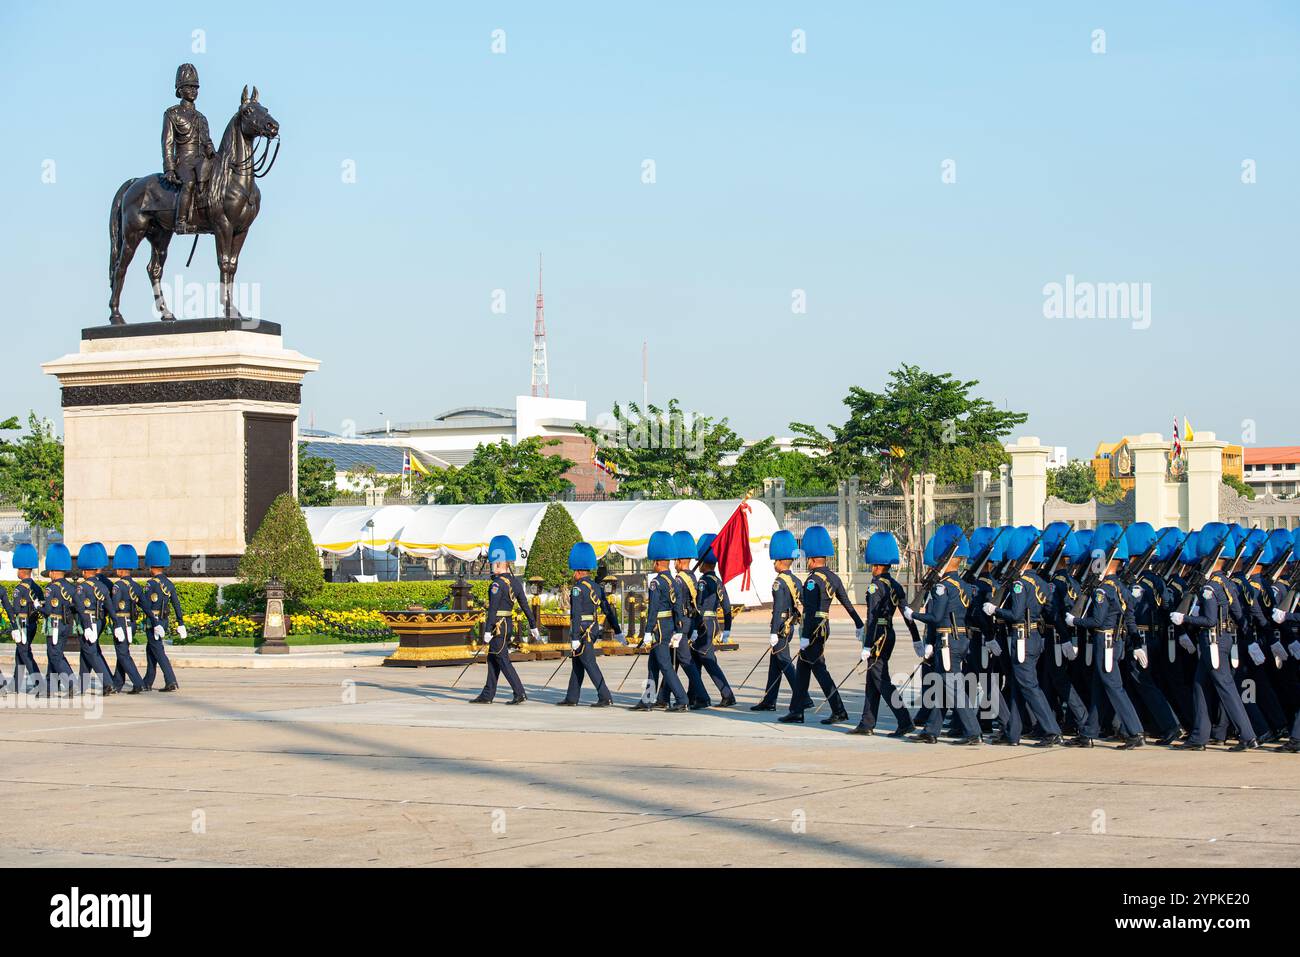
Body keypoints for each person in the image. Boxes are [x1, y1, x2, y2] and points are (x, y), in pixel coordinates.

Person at [1171, 523, 1259, 751]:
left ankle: (1247, 736)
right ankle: (1200, 736)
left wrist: (1185, 619)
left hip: (1213, 641)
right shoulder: (1227, 584)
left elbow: (1209, 621)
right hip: (1223, 640)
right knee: (1199, 686)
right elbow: (1239, 616)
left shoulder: (1210, 587)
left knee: (1226, 688)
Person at [1063, 524, 1146, 749]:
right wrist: (1137, 643)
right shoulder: (1121, 588)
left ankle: (1135, 732)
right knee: (1100, 688)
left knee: (1114, 689)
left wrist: (1075, 621)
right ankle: (1088, 732)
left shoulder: (1102, 591)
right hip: (1116, 643)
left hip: (1106, 643)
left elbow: (1097, 622)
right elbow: (1130, 620)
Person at [984, 527, 1063, 747]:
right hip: (1035, 637)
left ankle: (1051, 730)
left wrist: (994, 610)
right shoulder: (1040, 583)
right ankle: (1013, 733)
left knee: (1029, 686)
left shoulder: (1020, 584)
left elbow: (1016, 615)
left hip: (1022, 638)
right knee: (1019, 686)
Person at [779, 525, 864, 725]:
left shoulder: (812, 581)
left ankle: (838, 710)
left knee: (819, 669)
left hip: (813, 630)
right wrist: (859, 624)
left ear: (812, 558)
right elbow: (847, 603)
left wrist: (806, 636)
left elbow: (810, 610)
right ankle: (796, 710)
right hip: (824, 626)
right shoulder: (833, 577)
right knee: (803, 669)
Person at [906, 524, 981, 745]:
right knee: (942, 686)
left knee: (953, 687)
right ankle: (931, 730)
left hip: (947, 642)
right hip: (957, 639)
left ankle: (973, 732)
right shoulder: (963, 585)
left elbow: (936, 617)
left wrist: (915, 616)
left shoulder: (942, 587)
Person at [848, 531, 917, 737]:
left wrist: (867, 645)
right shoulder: (895, 585)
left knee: (881, 680)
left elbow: (871, 617)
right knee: (873, 679)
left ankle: (904, 721)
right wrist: (916, 638)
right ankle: (867, 722)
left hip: (877, 635)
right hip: (889, 633)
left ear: (876, 565)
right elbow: (907, 615)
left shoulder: (874, 586)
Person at [470, 534, 539, 705]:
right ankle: (488, 694)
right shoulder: (515, 582)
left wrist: (486, 630)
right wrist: (532, 625)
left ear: (500, 563)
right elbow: (524, 605)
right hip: (506, 625)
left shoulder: (496, 584)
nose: (492, 566)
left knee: (501, 659)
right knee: (493, 658)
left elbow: (492, 609)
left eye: (493, 563)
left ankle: (519, 692)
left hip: (497, 627)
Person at [631, 530, 689, 712]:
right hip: (670, 625)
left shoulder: (656, 582)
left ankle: (681, 699)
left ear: (656, 562)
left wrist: (647, 631)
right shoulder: (674, 581)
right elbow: (678, 607)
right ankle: (648, 699)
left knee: (665, 665)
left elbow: (653, 609)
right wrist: (679, 629)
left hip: (659, 628)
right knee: (653, 665)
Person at [751, 530, 809, 713]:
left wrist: (773, 632)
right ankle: (769, 700)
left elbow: (778, 610)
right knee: (775, 665)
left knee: (784, 662)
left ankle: (803, 697)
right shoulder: (795, 580)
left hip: (781, 629)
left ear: (778, 561)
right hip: (789, 626)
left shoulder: (779, 582)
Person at [557, 542, 620, 707]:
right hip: (592, 628)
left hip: (582, 631)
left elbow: (576, 614)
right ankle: (572, 697)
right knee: (578, 663)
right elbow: (607, 610)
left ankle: (605, 696)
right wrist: (618, 630)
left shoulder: (577, 589)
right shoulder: (596, 587)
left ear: (577, 571)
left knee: (589, 663)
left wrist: (575, 637)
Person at [162, 63, 217, 234]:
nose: (193, 90)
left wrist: (215, 155)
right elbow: (168, 143)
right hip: (183, 160)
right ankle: (181, 221)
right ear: (180, 89)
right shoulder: (172, 114)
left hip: (201, 160)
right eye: (189, 87)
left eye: (195, 87)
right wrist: (169, 169)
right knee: (190, 182)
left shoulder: (202, 118)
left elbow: (207, 142)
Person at [692, 533, 736, 708]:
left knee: (707, 659)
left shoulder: (703, 581)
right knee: (696, 660)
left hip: (703, 623)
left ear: (703, 562)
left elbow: (699, 606)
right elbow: (727, 606)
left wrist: (695, 627)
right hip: (713, 623)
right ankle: (696, 695)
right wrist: (727, 629)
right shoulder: (718, 581)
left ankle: (727, 694)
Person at [73, 543, 119, 695]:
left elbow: (79, 607)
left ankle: (108, 682)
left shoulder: (82, 587)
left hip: (89, 621)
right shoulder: (103, 586)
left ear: (85, 570)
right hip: (99, 620)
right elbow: (111, 607)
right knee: (88, 650)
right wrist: (117, 624)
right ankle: (82, 684)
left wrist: (87, 626)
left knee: (90, 651)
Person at [141, 541, 184, 692]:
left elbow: (145, 605)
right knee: (151, 650)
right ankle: (147, 681)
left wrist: (153, 622)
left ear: (151, 567)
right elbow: (176, 604)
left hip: (154, 622)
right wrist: (181, 622)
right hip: (163, 621)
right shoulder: (169, 584)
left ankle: (170, 680)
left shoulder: (150, 584)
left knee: (158, 651)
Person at [39, 544, 78, 696]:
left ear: (54, 572)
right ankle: (49, 687)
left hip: (54, 625)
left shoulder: (51, 588)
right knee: (54, 654)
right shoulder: (71, 587)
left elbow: (48, 610)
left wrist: (38, 607)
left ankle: (71, 682)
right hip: (66, 624)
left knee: (55, 655)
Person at [108, 545, 147, 694]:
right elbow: (145, 606)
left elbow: (114, 606)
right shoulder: (136, 586)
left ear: (121, 569)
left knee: (123, 654)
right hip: (132, 623)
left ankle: (138, 682)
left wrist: (115, 624)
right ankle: (117, 682)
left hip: (121, 623)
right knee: (122, 653)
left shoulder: (118, 586)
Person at [6, 544, 43, 694]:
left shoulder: (19, 589)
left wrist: (14, 628)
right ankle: (15, 684)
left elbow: (15, 610)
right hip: (32, 624)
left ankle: (39, 683)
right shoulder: (37, 588)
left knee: (25, 654)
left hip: (22, 626)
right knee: (20, 653)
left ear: (21, 571)